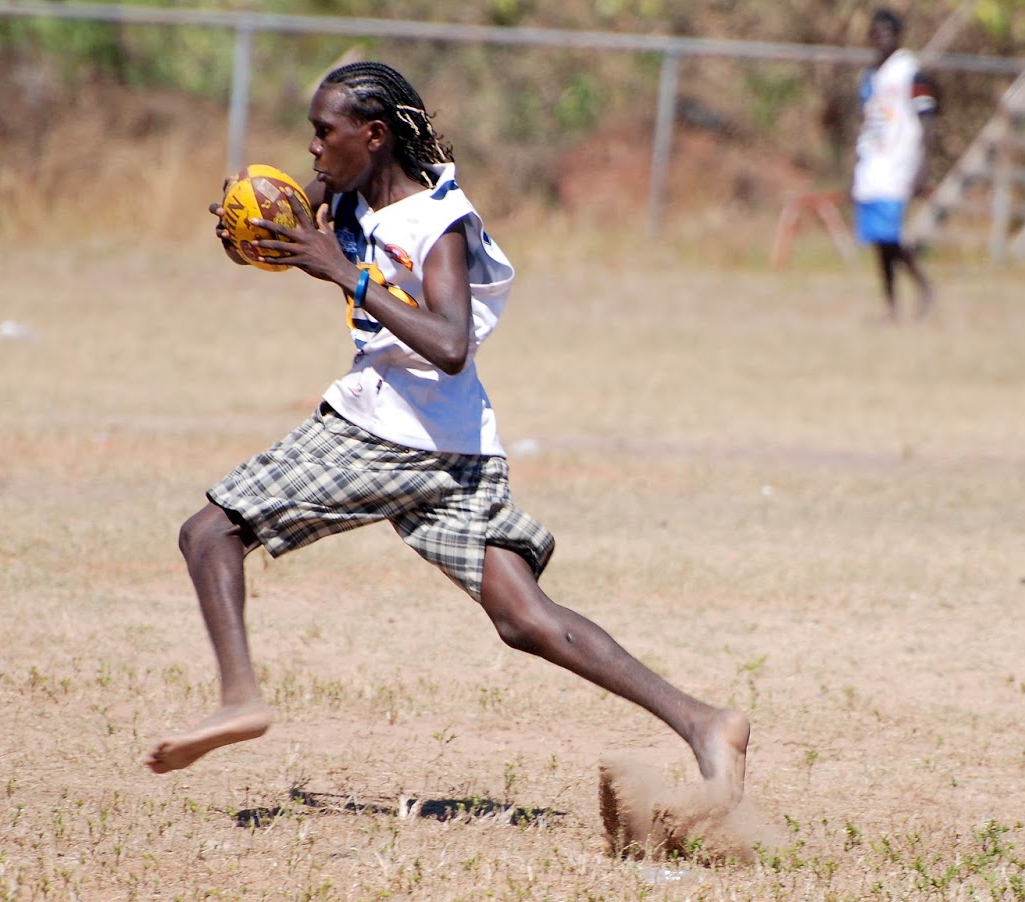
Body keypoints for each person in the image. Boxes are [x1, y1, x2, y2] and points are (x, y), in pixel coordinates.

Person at [143, 62, 751, 804]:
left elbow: (452, 341)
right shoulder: (356, 188)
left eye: (322, 133)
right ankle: (702, 722)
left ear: (371, 136)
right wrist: (252, 227)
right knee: (524, 618)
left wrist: (347, 274)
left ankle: (240, 697)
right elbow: (302, 217)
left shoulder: (435, 225)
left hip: (387, 433)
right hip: (454, 445)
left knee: (210, 532)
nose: (312, 149)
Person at [851, 7, 937, 320]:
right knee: (878, 240)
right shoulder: (870, 75)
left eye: (887, 31)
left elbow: (928, 120)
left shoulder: (909, 71)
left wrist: (922, 166)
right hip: (872, 164)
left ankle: (923, 285)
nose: (881, 37)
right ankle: (890, 306)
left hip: (899, 162)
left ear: (898, 35)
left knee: (889, 234)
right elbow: (867, 122)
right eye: (876, 31)